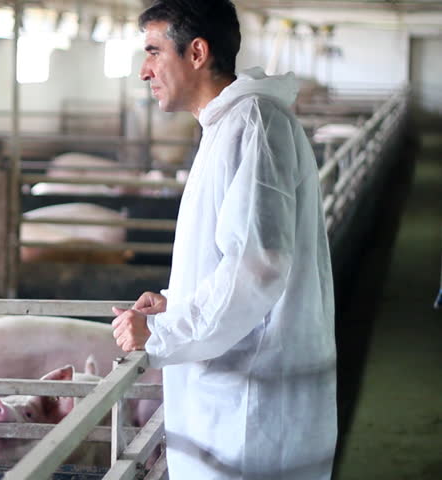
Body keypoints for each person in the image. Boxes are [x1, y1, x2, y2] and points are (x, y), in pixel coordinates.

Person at [111, 1, 337, 479]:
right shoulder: (227, 125)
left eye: (153, 51)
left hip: (250, 410)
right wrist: (175, 302)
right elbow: (237, 257)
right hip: (233, 399)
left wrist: (161, 333)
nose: (143, 70)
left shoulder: (252, 123)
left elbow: (258, 265)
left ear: (196, 52)